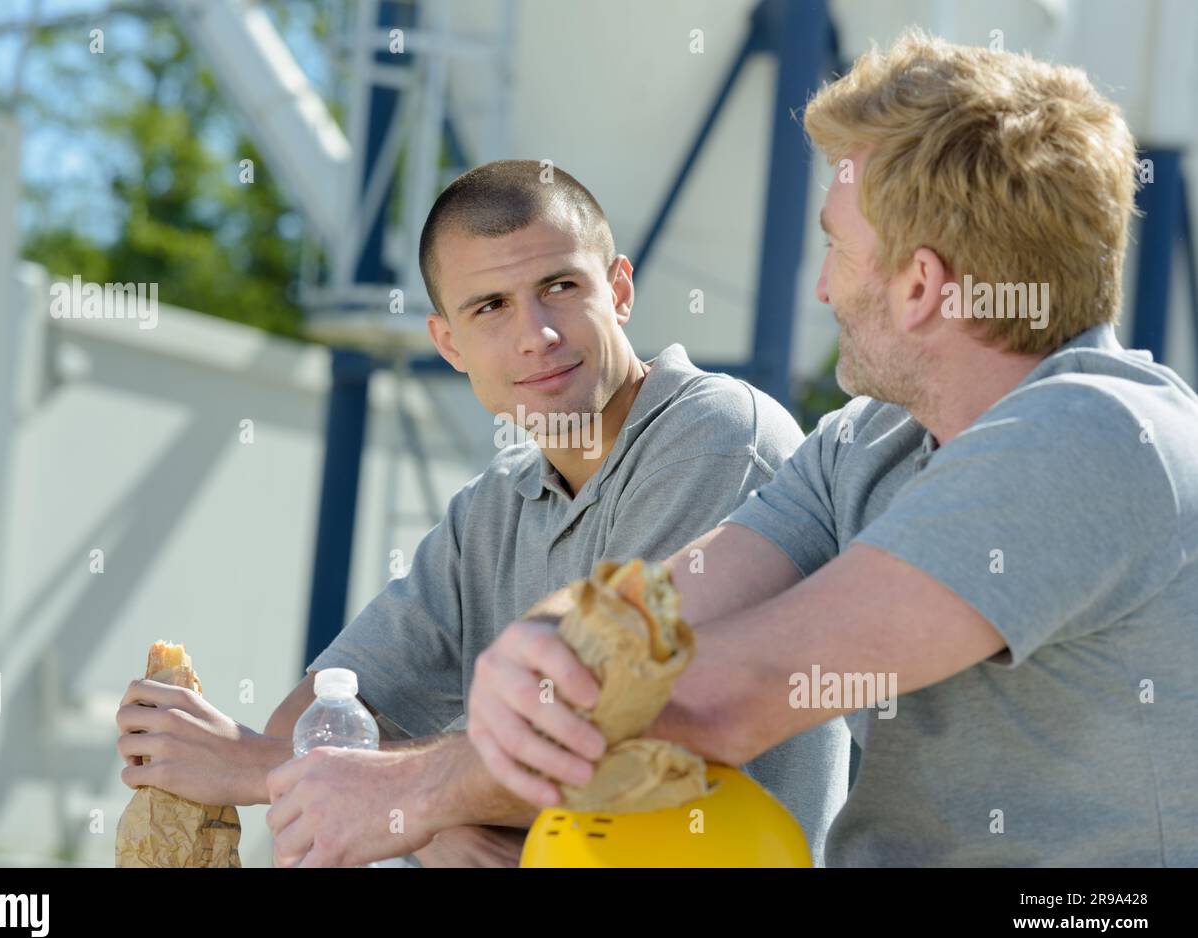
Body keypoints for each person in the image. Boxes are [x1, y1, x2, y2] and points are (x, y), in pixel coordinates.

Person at [467, 31, 1198, 866]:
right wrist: (552, 641)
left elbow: (718, 704)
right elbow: (662, 609)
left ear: (920, 286)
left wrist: (426, 787)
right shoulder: (870, 438)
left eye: (836, 248)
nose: (823, 287)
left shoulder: (1098, 437)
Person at [116, 160, 850, 866]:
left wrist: (278, 772)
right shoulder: (492, 508)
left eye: (560, 286)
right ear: (449, 343)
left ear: (619, 290)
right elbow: (320, 716)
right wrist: (427, 822)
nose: (536, 334)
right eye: (490, 306)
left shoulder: (717, 439)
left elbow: (613, 744)